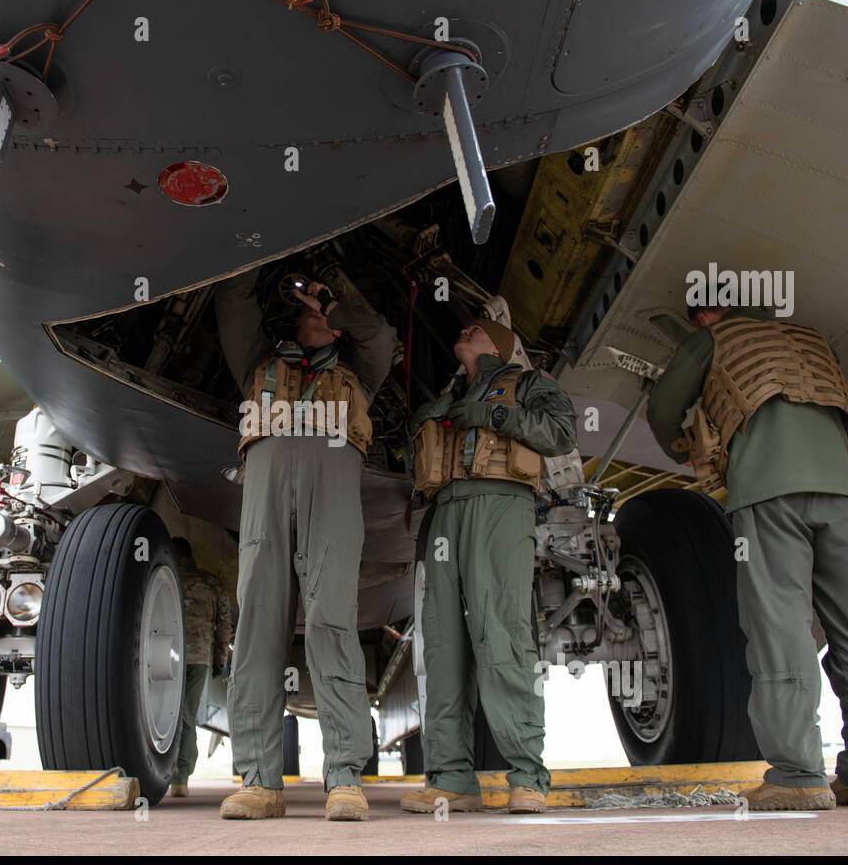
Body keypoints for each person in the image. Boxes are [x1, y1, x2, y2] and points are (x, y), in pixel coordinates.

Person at [647, 302, 848, 810]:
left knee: (780, 628)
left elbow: (661, 409)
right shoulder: (812, 340)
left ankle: (798, 776)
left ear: (713, 311)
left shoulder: (714, 338)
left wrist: (681, 445)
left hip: (769, 491)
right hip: (843, 497)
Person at [212, 263, 395, 821]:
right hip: (267, 481)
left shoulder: (359, 370)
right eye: (305, 311)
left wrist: (330, 298)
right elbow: (233, 302)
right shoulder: (259, 362)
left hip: (332, 478)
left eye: (322, 314)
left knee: (330, 620)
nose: (311, 316)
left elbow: (380, 335)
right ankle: (260, 780)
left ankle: (343, 777)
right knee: (258, 622)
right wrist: (257, 248)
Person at [400, 319, 577, 815]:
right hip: (445, 512)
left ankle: (527, 776)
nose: (465, 329)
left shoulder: (528, 383)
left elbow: (562, 433)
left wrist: (494, 414)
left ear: (497, 345)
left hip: (501, 504)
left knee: (502, 631)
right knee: (442, 645)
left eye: (476, 329)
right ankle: (451, 777)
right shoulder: (447, 395)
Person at [168, 537, 234, 798]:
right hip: (198, 658)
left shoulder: (163, 576)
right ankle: (180, 777)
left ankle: (171, 773)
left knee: (167, 715)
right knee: (187, 715)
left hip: (163, 658)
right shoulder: (211, 583)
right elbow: (224, 629)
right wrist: (220, 662)